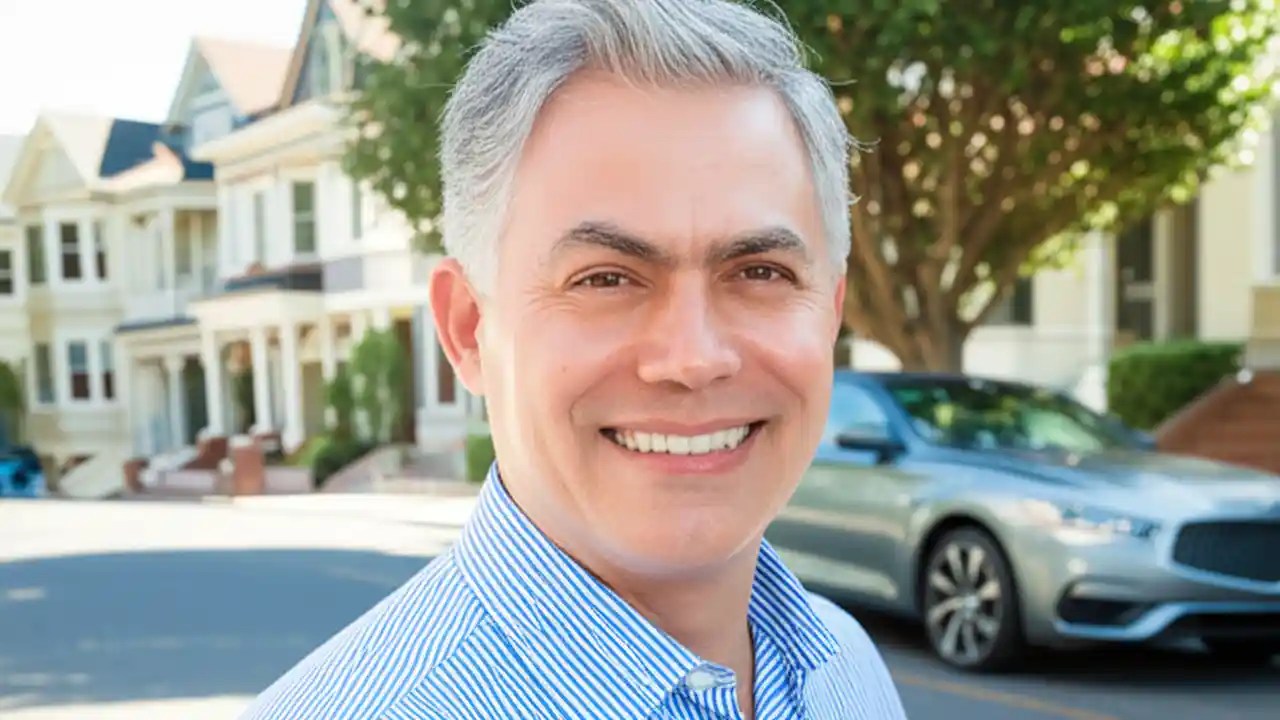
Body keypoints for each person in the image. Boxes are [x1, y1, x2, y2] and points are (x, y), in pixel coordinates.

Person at [241, 1, 907, 718]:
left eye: (760, 273)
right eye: (605, 279)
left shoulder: (849, 672)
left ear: (830, 314)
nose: (693, 358)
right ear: (468, 330)